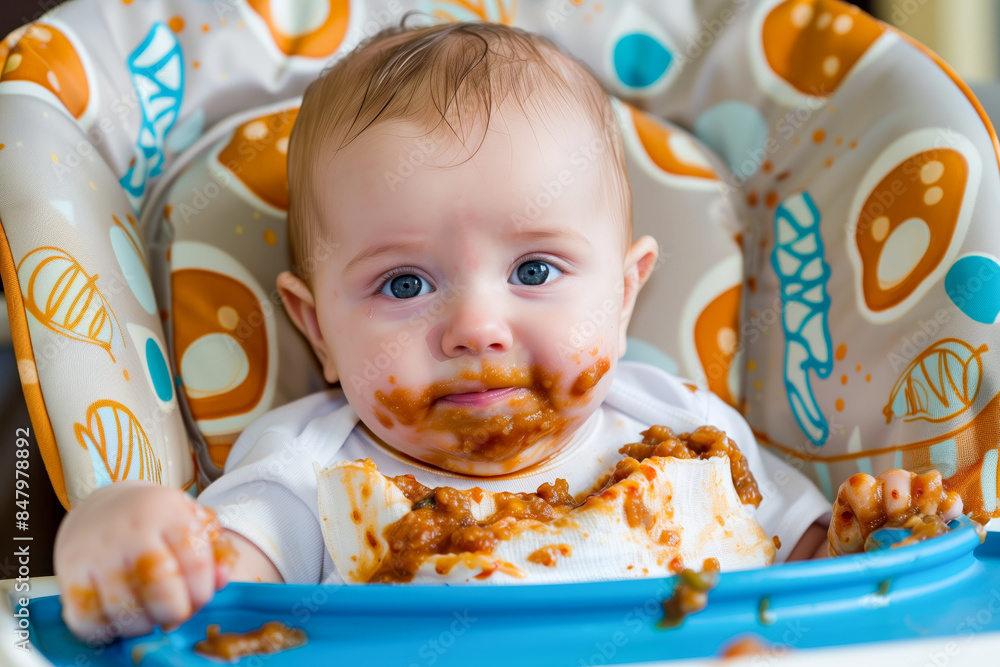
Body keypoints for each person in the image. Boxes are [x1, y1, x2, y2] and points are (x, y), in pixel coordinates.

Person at [54, 19, 836, 642]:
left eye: (534, 270)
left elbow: (816, 576)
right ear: (318, 329)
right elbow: (215, 587)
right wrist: (126, 546)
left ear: (624, 295)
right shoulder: (306, 475)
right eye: (405, 284)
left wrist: (870, 528)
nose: (476, 328)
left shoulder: (689, 431)